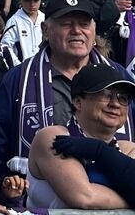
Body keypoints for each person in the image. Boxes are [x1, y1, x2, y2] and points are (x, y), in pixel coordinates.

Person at [0, 0, 133, 204]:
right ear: (46, 30)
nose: (77, 31)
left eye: (84, 24)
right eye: (66, 24)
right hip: (36, 198)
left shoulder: (119, 77)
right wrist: (3, 190)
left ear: (94, 30)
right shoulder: (19, 79)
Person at [26, 64, 135, 209]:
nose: (115, 104)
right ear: (78, 102)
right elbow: (85, 198)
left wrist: (101, 151)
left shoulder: (128, 149)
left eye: (123, 98)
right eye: (106, 95)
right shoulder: (53, 137)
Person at [2, 0, 45, 65]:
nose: (32, 4)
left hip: (44, 68)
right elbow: (5, 46)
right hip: (22, 69)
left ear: (41, 0)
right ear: (20, 0)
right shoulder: (13, 21)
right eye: (27, 0)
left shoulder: (45, 18)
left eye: (36, 0)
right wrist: (18, 65)